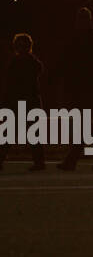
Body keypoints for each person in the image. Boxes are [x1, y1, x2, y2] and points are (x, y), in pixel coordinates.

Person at [58, 8, 93, 171]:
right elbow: (66, 63)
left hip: (89, 86)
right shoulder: (77, 39)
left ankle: (74, 158)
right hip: (77, 85)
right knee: (82, 122)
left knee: (82, 122)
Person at [1, 33, 46, 171]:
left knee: (18, 132)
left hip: (25, 100)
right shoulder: (31, 62)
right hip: (24, 100)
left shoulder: (21, 62)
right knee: (13, 132)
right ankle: (39, 161)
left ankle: (39, 161)